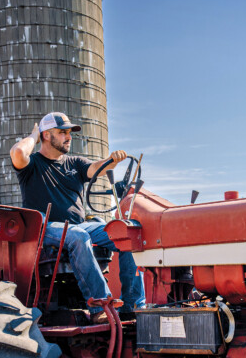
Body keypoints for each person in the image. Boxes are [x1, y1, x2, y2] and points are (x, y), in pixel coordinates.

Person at [10, 111, 146, 316]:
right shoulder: (33, 165)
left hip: (79, 225)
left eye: (69, 133)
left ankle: (133, 306)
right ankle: (101, 306)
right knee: (78, 236)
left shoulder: (74, 163)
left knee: (126, 233)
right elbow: (18, 153)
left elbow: (94, 169)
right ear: (46, 135)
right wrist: (33, 136)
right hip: (45, 228)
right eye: (62, 132)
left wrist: (111, 160)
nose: (68, 137)